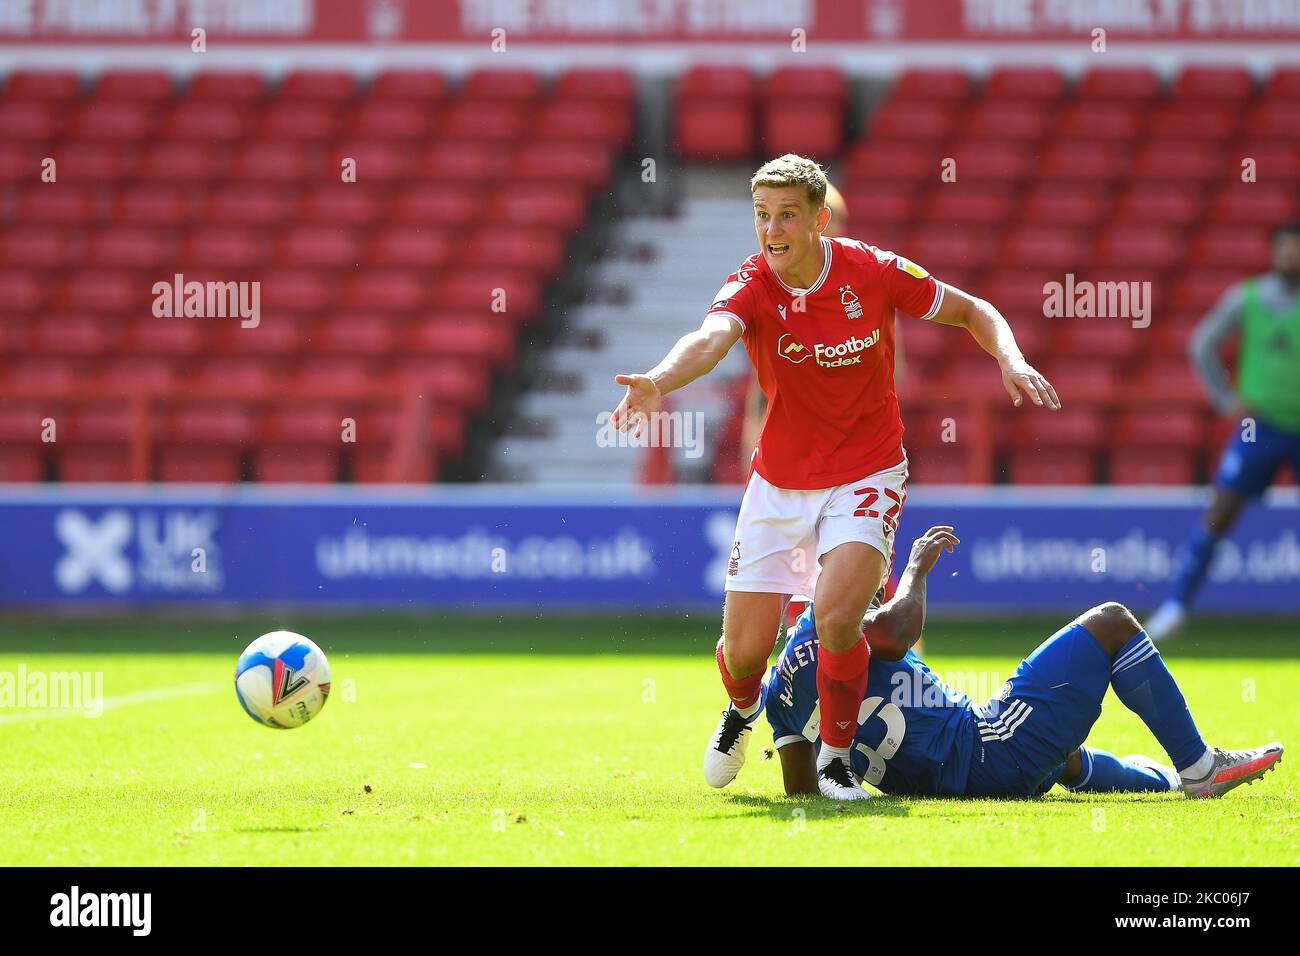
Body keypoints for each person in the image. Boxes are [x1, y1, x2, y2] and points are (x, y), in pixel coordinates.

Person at [609, 154, 1059, 800]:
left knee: (838, 616)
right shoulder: (751, 284)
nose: (771, 230)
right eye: (762, 216)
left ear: (821, 220)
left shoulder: (872, 272)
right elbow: (709, 339)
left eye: (787, 215)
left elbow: (973, 310)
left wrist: (1010, 358)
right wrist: (657, 378)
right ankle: (744, 710)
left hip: (867, 471)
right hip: (780, 483)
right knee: (743, 652)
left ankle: (837, 758)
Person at [767, 525, 1284, 799]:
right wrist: (918, 567)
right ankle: (1200, 768)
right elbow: (900, 631)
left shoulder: (781, 692)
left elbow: (802, 788)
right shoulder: (839, 626)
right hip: (985, 754)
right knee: (1112, 622)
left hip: (952, 777)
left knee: (1061, 754)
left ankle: (1170, 783)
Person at [1147, 221, 1300, 641]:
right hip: (1259, 425)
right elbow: (1202, 344)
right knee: (1220, 512)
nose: (1292, 256)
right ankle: (1176, 607)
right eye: (1286, 249)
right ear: (1273, 253)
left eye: (1297, 249)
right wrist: (1226, 400)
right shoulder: (1248, 298)